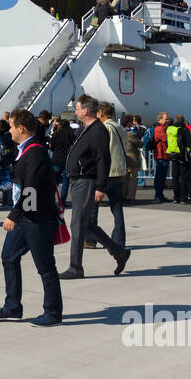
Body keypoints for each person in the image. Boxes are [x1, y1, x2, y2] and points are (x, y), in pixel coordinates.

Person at [0, 109, 63, 326]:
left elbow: (32, 189)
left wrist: (14, 215)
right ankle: (12, 307)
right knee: (8, 256)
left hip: (37, 219)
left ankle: (53, 312)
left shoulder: (36, 152)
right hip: (25, 217)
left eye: (11, 126)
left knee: (45, 266)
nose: (8, 130)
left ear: (21, 128)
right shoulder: (24, 149)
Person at [60, 95, 130, 278]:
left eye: (77, 108)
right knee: (88, 224)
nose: (75, 112)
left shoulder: (98, 130)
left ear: (86, 110)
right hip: (78, 180)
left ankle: (75, 267)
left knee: (77, 224)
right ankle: (119, 252)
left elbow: (103, 160)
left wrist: (100, 186)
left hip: (86, 181)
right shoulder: (86, 129)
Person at [97, 102, 130, 253]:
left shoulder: (105, 128)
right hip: (119, 170)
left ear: (102, 113)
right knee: (117, 209)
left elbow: (102, 151)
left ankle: (91, 239)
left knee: (92, 208)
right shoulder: (120, 128)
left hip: (107, 171)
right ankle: (119, 240)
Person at [48, 114, 75, 206]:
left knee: (53, 181)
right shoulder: (71, 134)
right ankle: (62, 202)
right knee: (66, 181)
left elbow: (52, 147)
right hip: (67, 160)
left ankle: (50, 200)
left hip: (56, 159)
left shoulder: (56, 133)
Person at [169, 114, 191, 204]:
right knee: (183, 177)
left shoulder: (170, 129)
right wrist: (188, 151)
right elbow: (189, 143)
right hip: (182, 156)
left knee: (175, 178)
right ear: (183, 120)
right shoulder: (185, 129)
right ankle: (183, 198)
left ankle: (176, 197)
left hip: (173, 155)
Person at [120, 113, 141, 201]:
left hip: (123, 157)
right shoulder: (130, 134)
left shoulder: (120, 131)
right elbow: (140, 143)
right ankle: (131, 197)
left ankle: (124, 196)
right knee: (133, 179)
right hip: (131, 158)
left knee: (125, 179)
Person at [151, 112, 170, 202]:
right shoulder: (159, 128)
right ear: (160, 119)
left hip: (163, 155)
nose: (167, 121)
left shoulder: (163, 128)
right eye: (165, 119)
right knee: (160, 176)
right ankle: (158, 195)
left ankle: (160, 195)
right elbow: (166, 139)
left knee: (162, 177)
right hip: (160, 155)